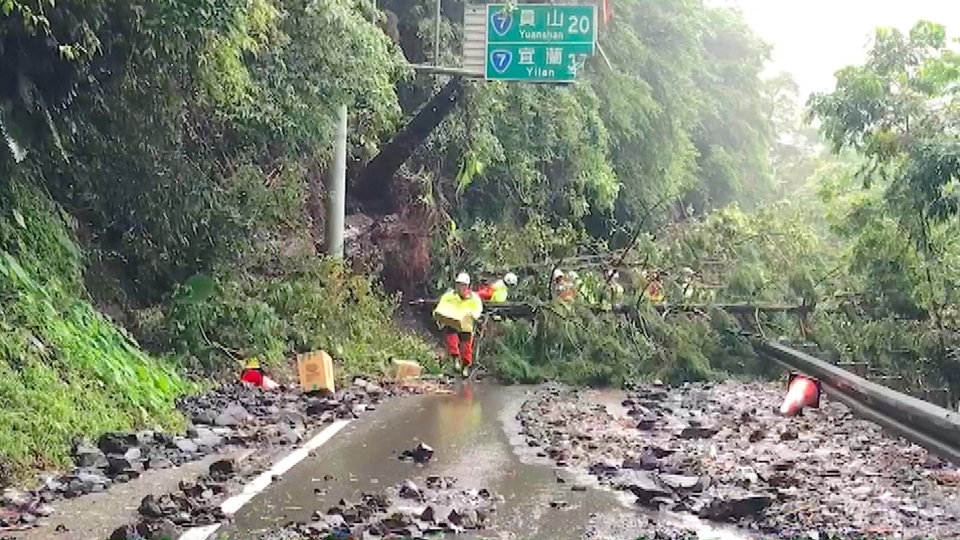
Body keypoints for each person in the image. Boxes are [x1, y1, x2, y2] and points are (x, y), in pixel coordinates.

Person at [434, 273, 484, 377]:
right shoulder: (449, 296)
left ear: (467, 286)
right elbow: (441, 306)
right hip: (453, 322)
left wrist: (473, 316)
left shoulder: (474, 298)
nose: (460, 287)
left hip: (466, 325)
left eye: (462, 285)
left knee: (466, 348)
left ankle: (465, 367)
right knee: (452, 340)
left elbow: (477, 310)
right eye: (458, 285)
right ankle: (455, 359)